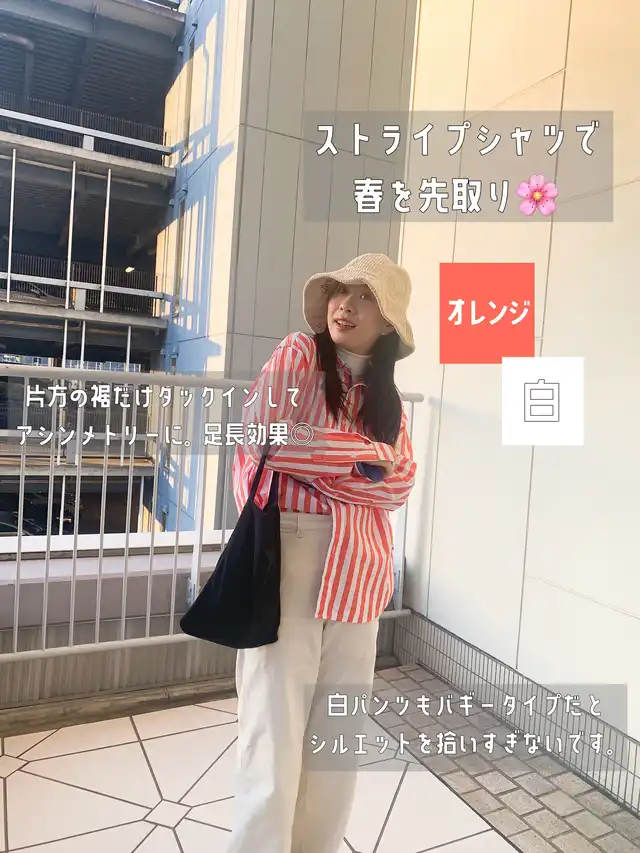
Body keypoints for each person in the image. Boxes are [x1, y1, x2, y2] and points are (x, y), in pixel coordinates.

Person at [229, 252, 417, 853]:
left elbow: (401, 486)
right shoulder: (298, 355)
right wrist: (365, 463)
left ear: (387, 323)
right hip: (291, 553)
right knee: (273, 729)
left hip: (362, 568)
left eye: (365, 296)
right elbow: (265, 440)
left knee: (336, 736)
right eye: (340, 291)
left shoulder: (388, 399)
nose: (346, 304)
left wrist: (323, 466)